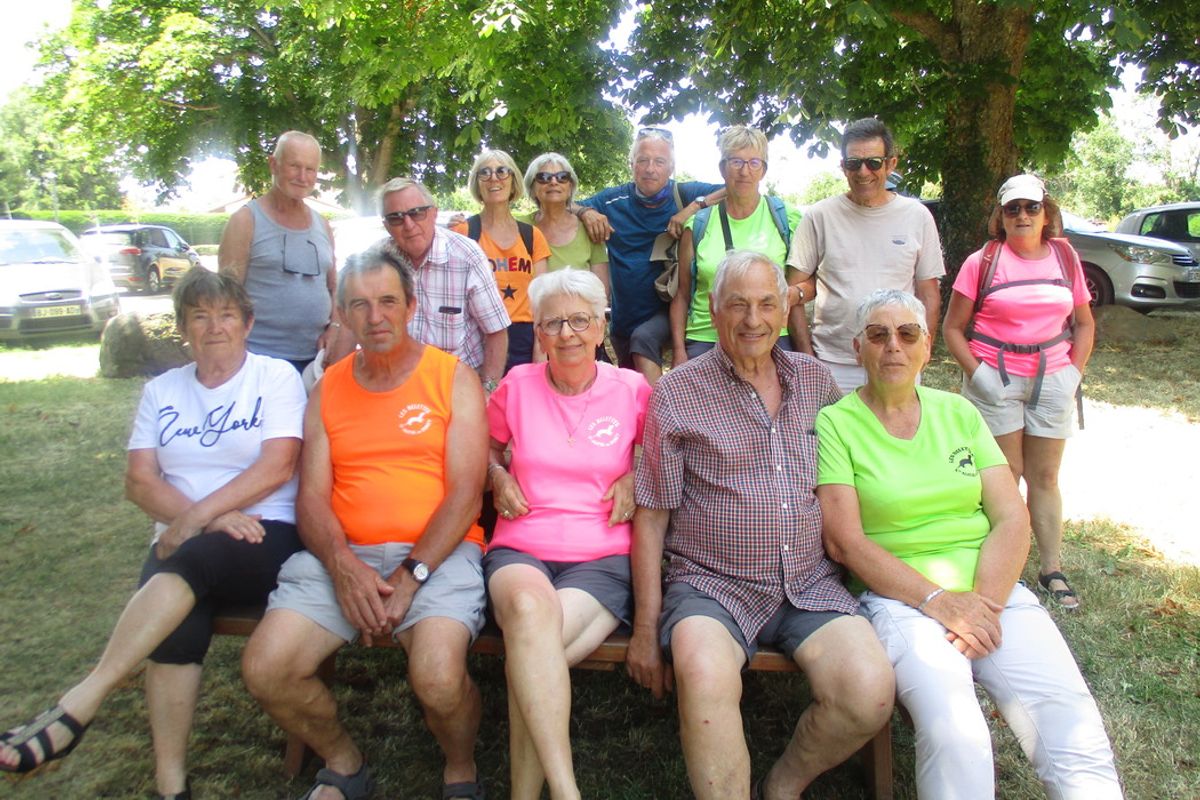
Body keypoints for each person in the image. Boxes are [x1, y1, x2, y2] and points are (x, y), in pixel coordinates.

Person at [0, 268, 306, 800]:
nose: (215, 326)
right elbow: (139, 482)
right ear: (184, 327)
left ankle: (80, 702)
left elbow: (277, 468)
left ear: (248, 324)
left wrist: (192, 520)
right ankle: (171, 786)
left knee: (189, 561)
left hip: (265, 534)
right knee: (176, 633)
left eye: (227, 314)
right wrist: (204, 520)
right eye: (200, 315)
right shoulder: (162, 390)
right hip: (189, 538)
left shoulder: (274, 378)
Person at [816, 289, 1120, 799]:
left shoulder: (959, 413)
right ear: (857, 349)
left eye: (907, 333)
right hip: (902, 601)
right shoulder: (837, 423)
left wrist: (983, 604)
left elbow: (1011, 516)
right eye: (878, 335)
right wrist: (939, 602)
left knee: (1068, 714)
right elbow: (846, 542)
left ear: (926, 348)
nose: (893, 346)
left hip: (993, 594)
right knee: (956, 731)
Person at [628, 250, 895, 800]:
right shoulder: (677, 393)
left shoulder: (815, 382)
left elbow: (857, 473)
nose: (754, 320)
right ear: (712, 309)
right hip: (711, 584)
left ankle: (781, 786)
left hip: (809, 581)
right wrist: (644, 631)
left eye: (767, 304)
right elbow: (651, 517)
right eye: (738, 305)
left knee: (867, 691)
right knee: (702, 676)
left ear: (784, 308)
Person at [241, 246, 489, 800]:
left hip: (438, 556)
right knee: (266, 668)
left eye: (386, 302)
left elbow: (465, 496)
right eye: (359, 305)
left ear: (411, 304)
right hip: (342, 557)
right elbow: (311, 497)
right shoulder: (328, 385)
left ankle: (460, 767)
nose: (375, 317)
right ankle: (345, 764)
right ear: (343, 314)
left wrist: (410, 575)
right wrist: (343, 566)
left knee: (438, 678)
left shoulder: (453, 379)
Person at [485, 269, 651, 800]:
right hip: (521, 548)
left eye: (580, 320)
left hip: (602, 557)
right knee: (532, 621)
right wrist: (497, 473)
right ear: (537, 330)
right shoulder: (516, 387)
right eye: (553, 322)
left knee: (530, 651)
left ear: (602, 327)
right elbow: (481, 447)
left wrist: (634, 473)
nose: (567, 334)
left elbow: (663, 457)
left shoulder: (632, 389)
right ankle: (566, 790)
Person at [943, 174, 1095, 609]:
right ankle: (1001, 567)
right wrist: (979, 374)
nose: (1023, 216)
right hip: (997, 378)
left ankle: (1051, 568)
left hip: (1053, 377)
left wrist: (1074, 373)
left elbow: (1084, 323)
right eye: (1013, 209)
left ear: (1046, 213)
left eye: (1031, 207)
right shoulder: (982, 261)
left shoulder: (1066, 258)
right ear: (1001, 216)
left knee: (1044, 477)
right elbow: (952, 328)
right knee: (1004, 476)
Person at [785, 117, 944, 392]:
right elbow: (792, 294)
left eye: (873, 162)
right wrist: (807, 357)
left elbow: (929, 293)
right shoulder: (819, 216)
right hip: (833, 362)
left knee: (894, 435)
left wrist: (921, 351)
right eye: (853, 163)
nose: (863, 172)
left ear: (891, 164)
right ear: (843, 166)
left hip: (897, 358)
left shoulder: (917, 216)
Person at [575, 127, 725, 384]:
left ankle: (663, 419)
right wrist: (585, 213)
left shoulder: (685, 194)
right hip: (624, 318)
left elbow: (733, 187)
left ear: (671, 167)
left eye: (659, 161)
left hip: (669, 311)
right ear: (631, 164)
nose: (650, 168)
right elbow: (567, 204)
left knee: (643, 341)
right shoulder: (612, 200)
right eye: (642, 160)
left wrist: (694, 207)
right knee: (631, 388)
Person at [218, 130, 352, 373]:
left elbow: (335, 287)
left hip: (316, 359)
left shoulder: (322, 224)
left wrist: (334, 327)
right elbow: (227, 297)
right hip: (260, 359)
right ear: (274, 164)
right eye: (294, 166)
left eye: (310, 169)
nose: (302, 177)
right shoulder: (245, 221)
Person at [672, 125, 801, 363]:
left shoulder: (786, 219)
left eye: (754, 163)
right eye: (736, 162)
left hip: (769, 334)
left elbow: (803, 282)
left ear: (763, 170)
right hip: (706, 337)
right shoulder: (698, 224)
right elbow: (682, 294)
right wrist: (679, 350)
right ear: (723, 168)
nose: (745, 171)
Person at [379, 176, 510, 397]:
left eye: (416, 213)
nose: (409, 225)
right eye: (396, 218)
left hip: (456, 389)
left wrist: (487, 393)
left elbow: (496, 331)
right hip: (398, 389)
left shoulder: (467, 255)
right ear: (386, 226)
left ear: (434, 213)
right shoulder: (378, 260)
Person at [451, 149, 550, 372]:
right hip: (477, 336)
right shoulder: (463, 231)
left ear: (513, 181)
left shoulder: (532, 236)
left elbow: (542, 302)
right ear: (477, 183)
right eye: (484, 173)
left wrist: (540, 350)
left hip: (523, 339)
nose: (494, 178)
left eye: (502, 171)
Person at [517, 152, 610, 295]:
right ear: (532, 188)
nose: (553, 182)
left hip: (579, 313)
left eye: (562, 177)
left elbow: (601, 292)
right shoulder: (519, 228)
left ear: (570, 187)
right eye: (543, 177)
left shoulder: (589, 228)